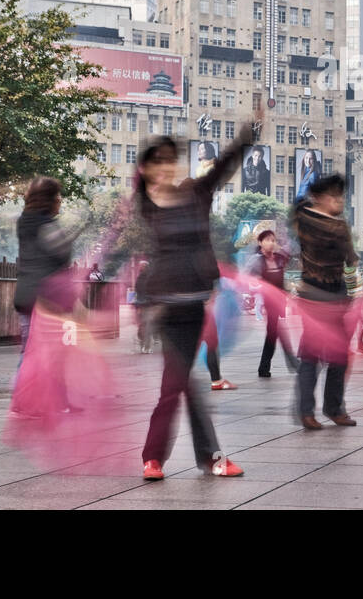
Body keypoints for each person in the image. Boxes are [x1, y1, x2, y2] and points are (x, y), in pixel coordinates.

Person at [133, 116, 259, 481]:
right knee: (180, 383)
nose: (166, 167)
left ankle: (157, 457)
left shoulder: (194, 194)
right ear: (148, 168)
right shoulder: (147, 204)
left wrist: (247, 136)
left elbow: (222, 168)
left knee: (178, 383)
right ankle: (205, 457)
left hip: (194, 302)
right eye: (158, 161)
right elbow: (138, 188)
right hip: (163, 306)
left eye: (171, 159)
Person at [291, 173, 360, 429]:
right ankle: (306, 411)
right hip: (312, 295)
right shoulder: (305, 218)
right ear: (318, 198)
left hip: (336, 295)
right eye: (333, 196)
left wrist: (353, 294)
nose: (339, 201)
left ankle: (334, 408)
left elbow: (350, 260)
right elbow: (351, 259)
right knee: (311, 355)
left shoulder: (340, 225)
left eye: (341, 196)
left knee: (339, 356)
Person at [14, 178, 84, 377]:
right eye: (57, 196)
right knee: (56, 353)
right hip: (48, 300)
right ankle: (56, 402)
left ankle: (22, 399)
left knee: (28, 351)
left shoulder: (24, 221)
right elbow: (61, 255)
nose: (60, 200)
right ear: (49, 200)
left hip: (25, 296)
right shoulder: (46, 225)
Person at [245, 228, 296, 377]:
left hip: (280, 299)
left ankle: (265, 367)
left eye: (273, 240)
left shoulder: (279, 258)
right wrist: (257, 286)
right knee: (277, 331)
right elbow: (246, 278)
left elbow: (292, 249)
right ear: (260, 242)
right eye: (267, 240)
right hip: (269, 301)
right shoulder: (256, 260)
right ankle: (292, 361)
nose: (271, 243)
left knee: (273, 334)